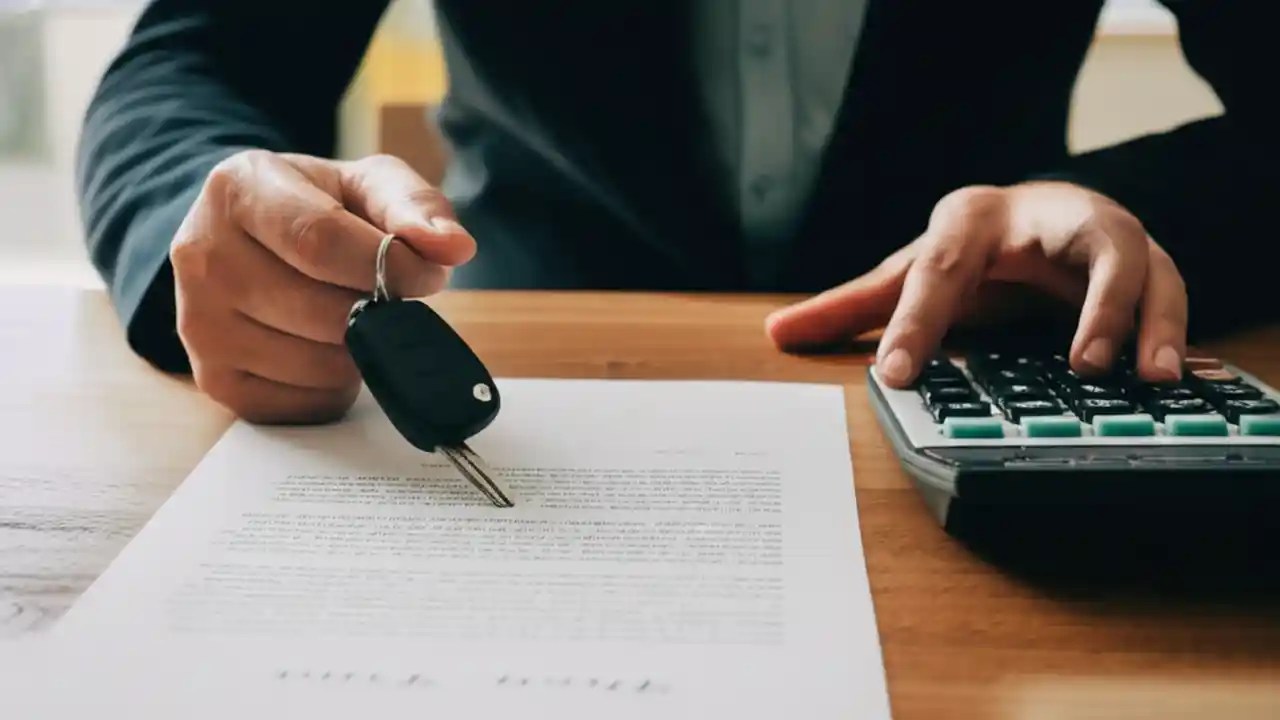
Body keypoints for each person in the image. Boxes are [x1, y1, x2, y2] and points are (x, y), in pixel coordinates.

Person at [76, 2, 1273, 424]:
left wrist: (1127, 205)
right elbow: (189, 61)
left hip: (983, 377)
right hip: (537, 361)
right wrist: (215, 213)